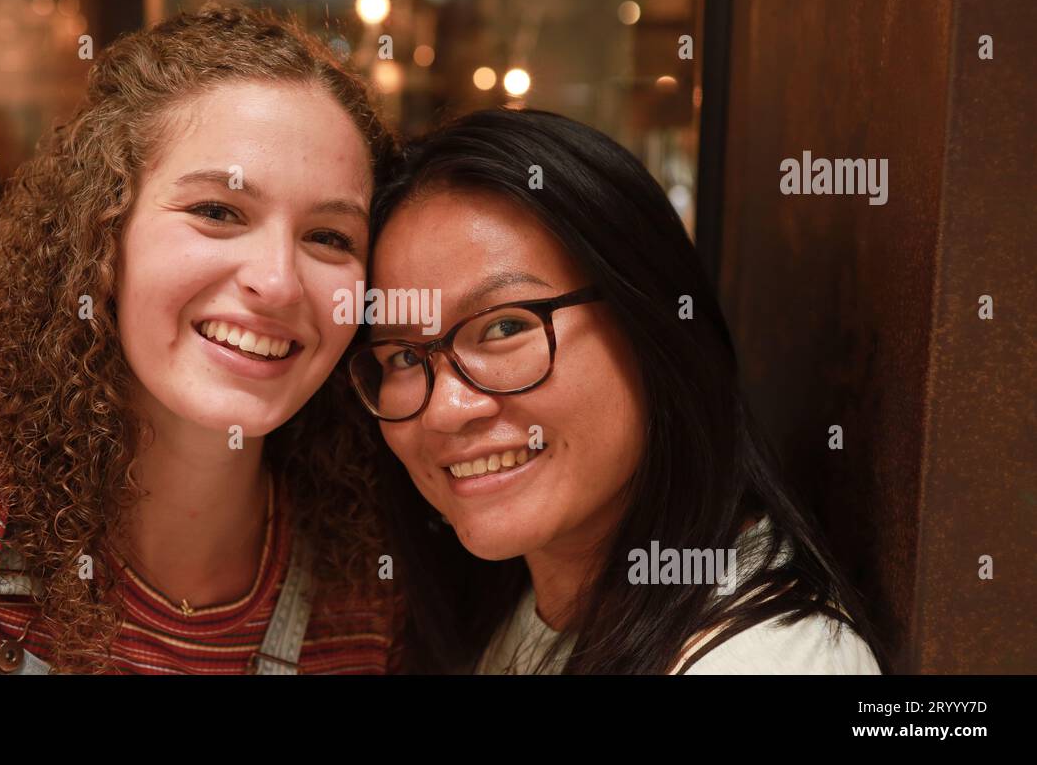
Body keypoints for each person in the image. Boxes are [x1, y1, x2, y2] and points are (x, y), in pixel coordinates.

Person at [0, 5, 401, 674]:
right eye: (217, 212)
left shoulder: (367, 586)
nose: (279, 282)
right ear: (102, 237)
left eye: (329, 237)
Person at [351, 108, 884, 674]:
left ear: (650, 323)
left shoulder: (762, 662)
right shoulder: (524, 602)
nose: (445, 410)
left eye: (506, 327)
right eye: (404, 356)